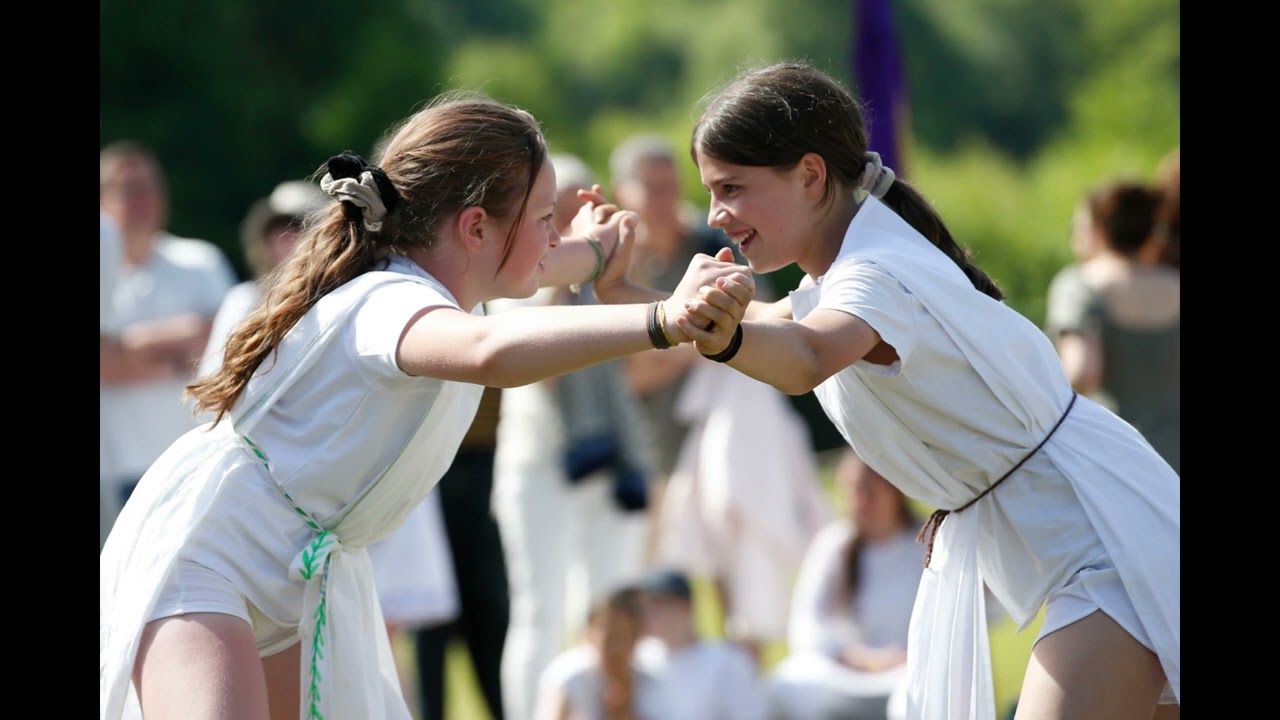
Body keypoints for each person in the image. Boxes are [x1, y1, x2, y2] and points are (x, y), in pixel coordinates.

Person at [99, 90, 754, 720]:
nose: (555, 237)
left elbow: (545, 262)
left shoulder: (449, 269)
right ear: (474, 227)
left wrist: (602, 251)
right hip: (210, 551)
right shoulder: (391, 299)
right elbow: (490, 351)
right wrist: (665, 315)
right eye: (545, 218)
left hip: (294, 572)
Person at [592, 61, 1180, 720]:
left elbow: (807, 354)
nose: (715, 214)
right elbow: (755, 324)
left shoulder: (875, 272)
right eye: (710, 191)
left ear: (811, 175)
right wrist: (620, 292)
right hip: (1099, 540)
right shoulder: (844, 273)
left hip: (1112, 547)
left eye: (732, 187)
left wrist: (715, 335)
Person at [492, 152, 655, 720]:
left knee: (614, 604)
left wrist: (605, 264)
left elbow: (645, 353)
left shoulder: (609, 268)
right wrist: (579, 260)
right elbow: (534, 345)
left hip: (613, 459)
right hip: (540, 463)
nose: (560, 219)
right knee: (542, 612)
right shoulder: (508, 271)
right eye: (549, 209)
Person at [99, 140, 239, 547]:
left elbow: (229, 346)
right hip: (120, 470)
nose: (142, 201)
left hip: (197, 465)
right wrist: (183, 346)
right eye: (128, 189)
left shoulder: (199, 260)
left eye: (149, 188)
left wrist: (128, 351)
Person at [767, 450, 924, 720]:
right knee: (785, 685)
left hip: (910, 674)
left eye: (869, 492)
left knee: (910, 699)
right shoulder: (834, 545)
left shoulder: (927, 542)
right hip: (848, 678)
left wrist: (907, 658)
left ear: (895, 491)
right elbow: (806, 625)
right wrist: (852, 657)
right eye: (852, 491)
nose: (860, 503)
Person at [1045, 179, 1179, 474]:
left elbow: (1083, 372)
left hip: (1118, 458)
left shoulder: (1080, 286)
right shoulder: (1174, 285)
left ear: (1099, 231)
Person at [631, 569, 767, 720]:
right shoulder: (638, 663)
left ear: (685, 607)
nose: (649, 614)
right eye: (644, 607)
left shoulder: (728, 661)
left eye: (659, 605)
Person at [533, 587, 668, 720]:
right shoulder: (568, 675)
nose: (616, 649)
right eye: (609, 638)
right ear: (589, 634)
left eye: (624, 637)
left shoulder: (648, 681)